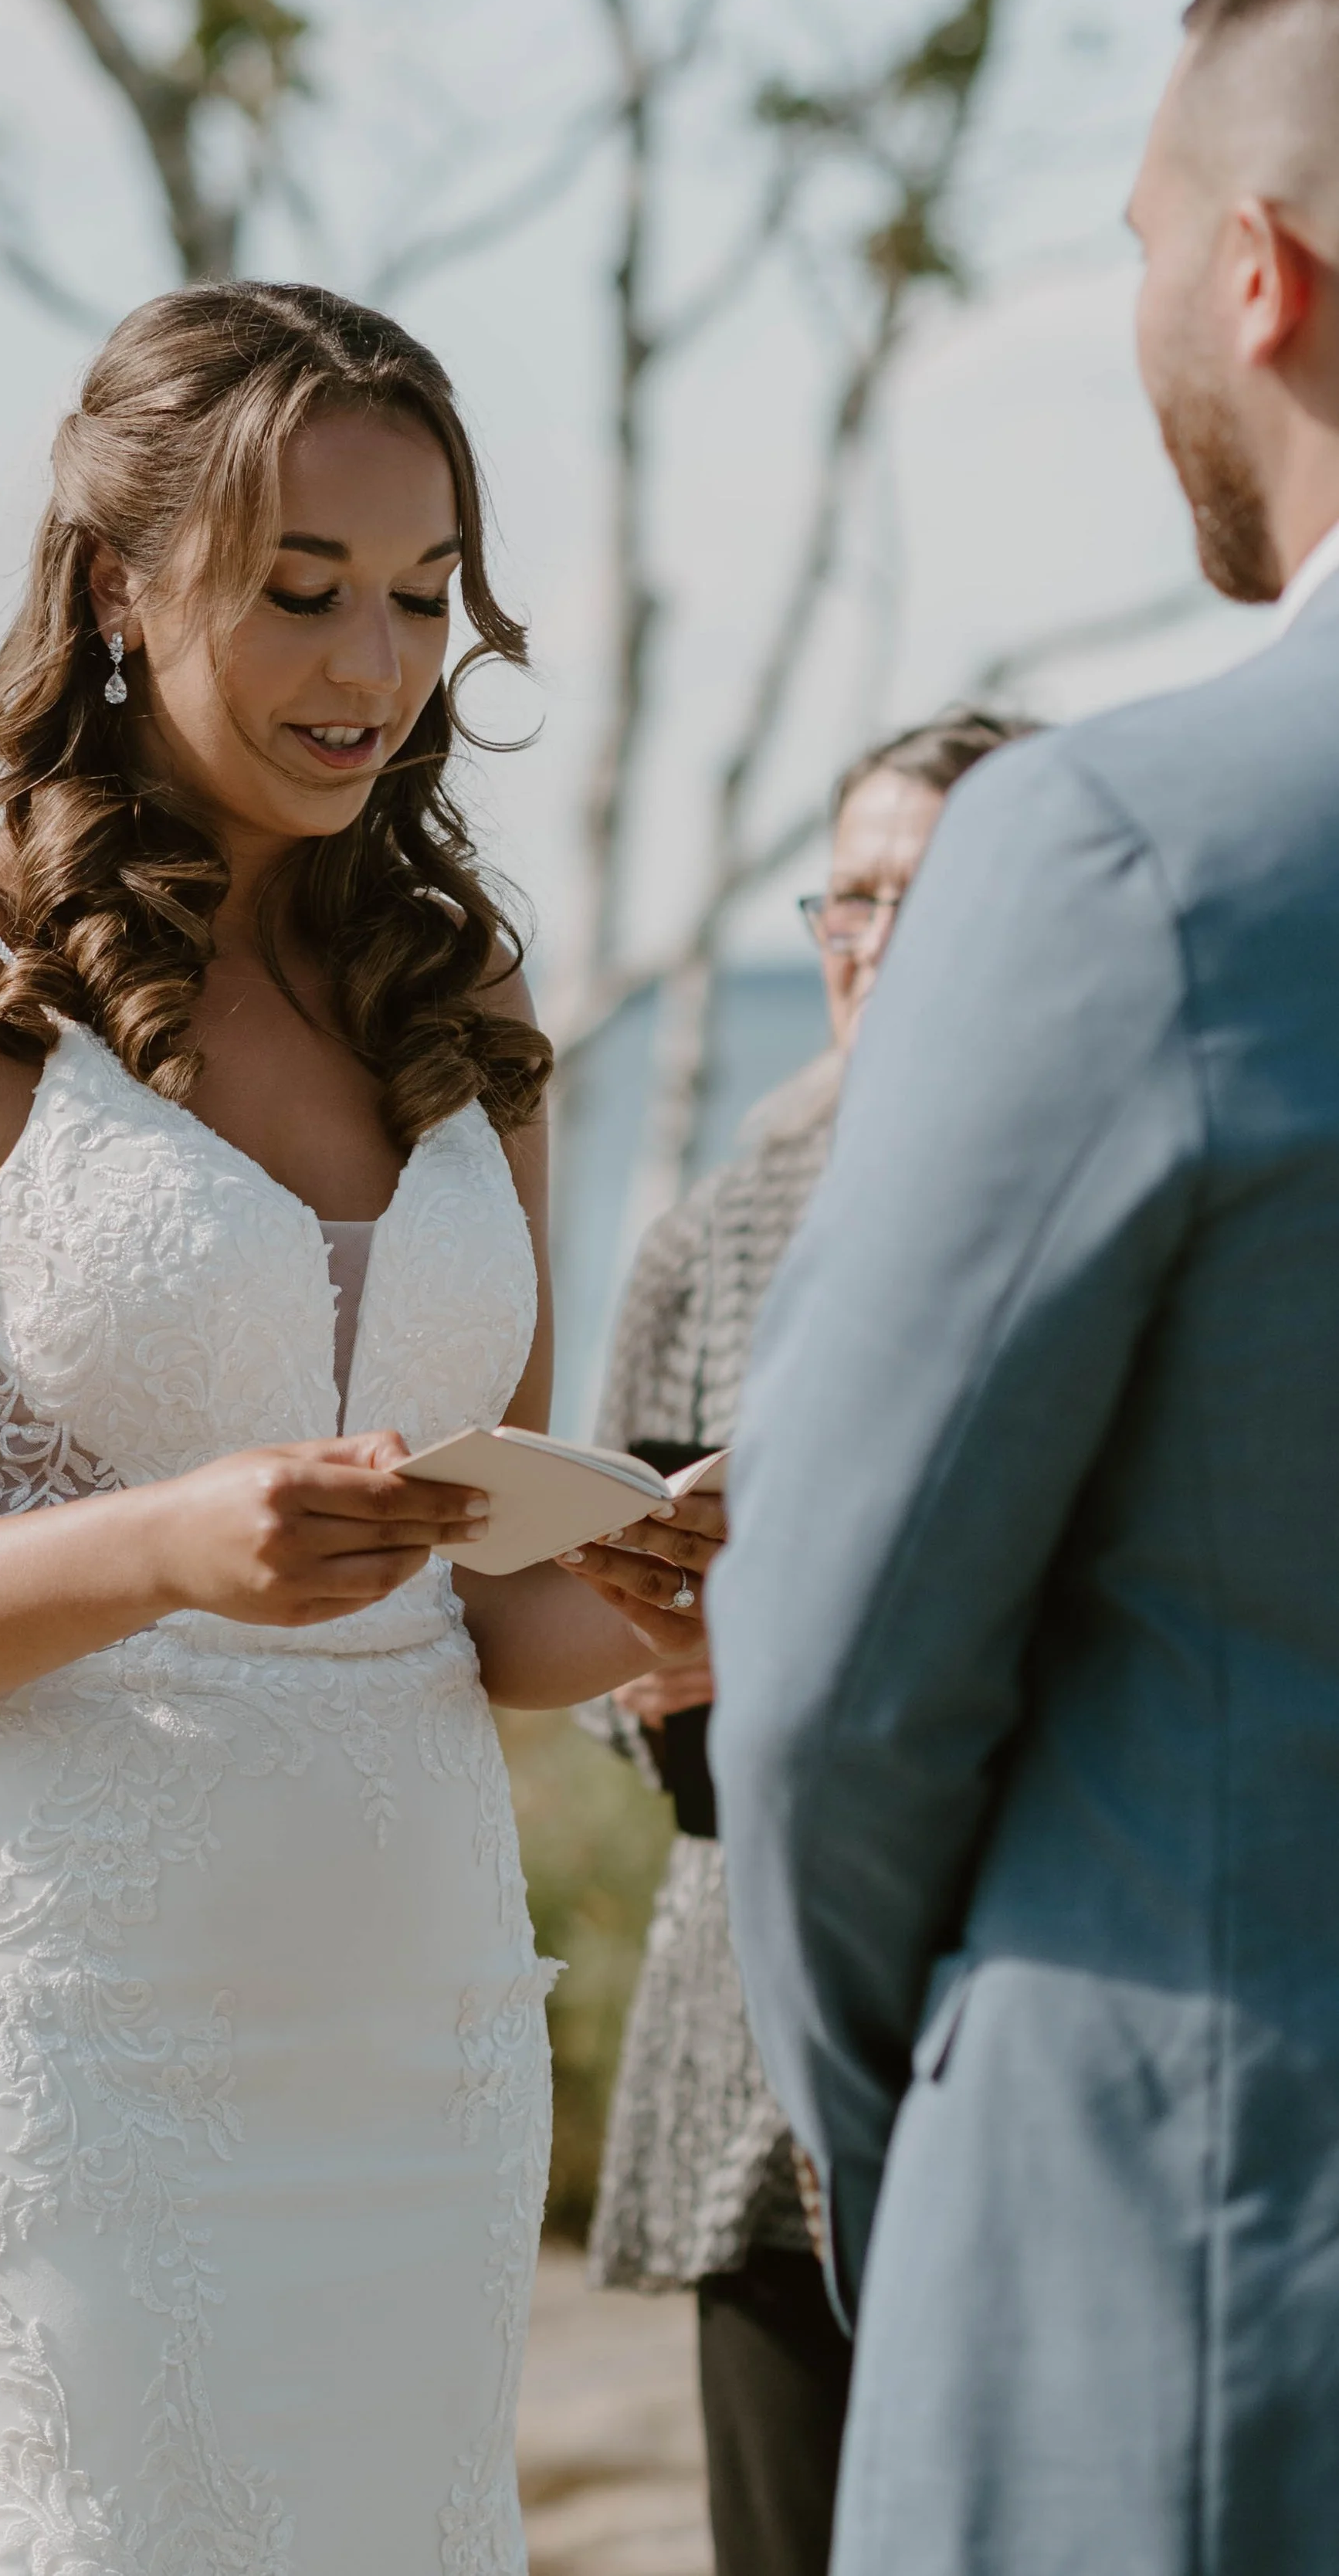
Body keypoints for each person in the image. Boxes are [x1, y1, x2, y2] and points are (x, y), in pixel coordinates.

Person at [0, 281, 717, 2576]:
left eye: (418, 595)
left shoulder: (461, 998)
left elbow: (495, 1604)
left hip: (419, 2027)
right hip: (71, 2037)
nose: (370, 664)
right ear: (113, 585)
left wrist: (669, 1583)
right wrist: (159, 1547)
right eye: (299, 593)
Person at [710, 0, 1339, 2574]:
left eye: (1123, 258)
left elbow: (833, 1693)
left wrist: (942, 2145)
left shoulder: (1133, 857)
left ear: (1257, 273)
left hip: (1189, 2292)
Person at [581, 706, 1036, 2576]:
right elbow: (602, 1646)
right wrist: (652, 1660)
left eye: (916, 900)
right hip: (744, 2005)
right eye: (840, 899)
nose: (865, 944)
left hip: (1012, 2008)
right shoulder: (713, 1230)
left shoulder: (1102, 1208)